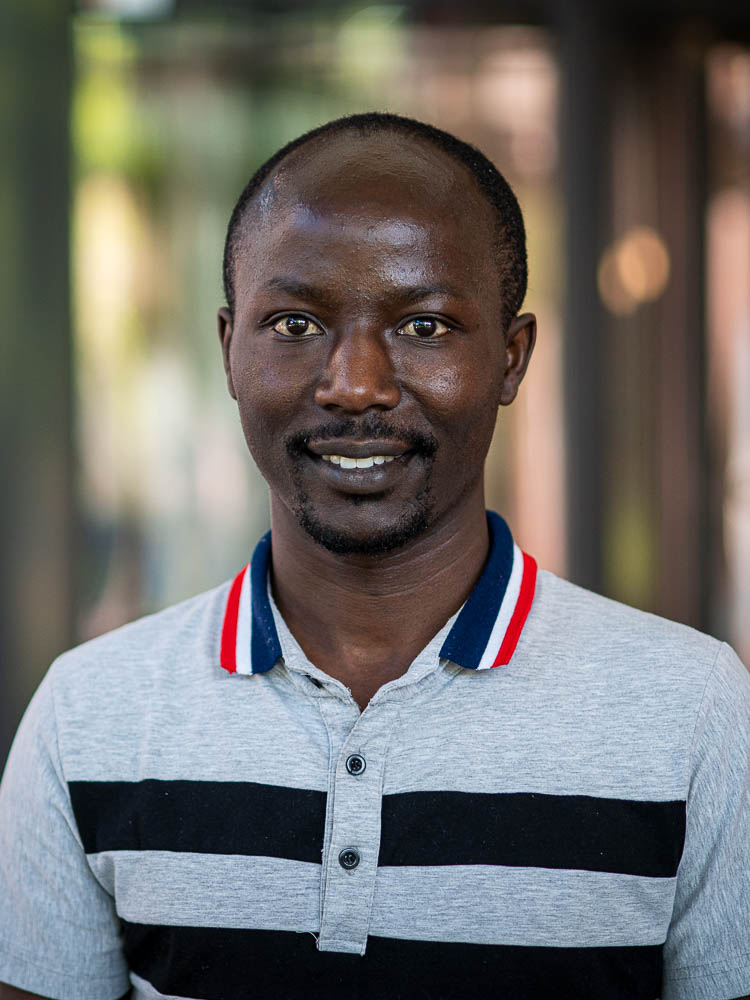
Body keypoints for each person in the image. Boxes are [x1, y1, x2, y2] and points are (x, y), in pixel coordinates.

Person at [0, 112, 749, 1000]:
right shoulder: (88, 716)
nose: (355, 384)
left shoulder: (691, 712)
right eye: (294, 323)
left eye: (424, 327)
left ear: (512, 359)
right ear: (229, 350)